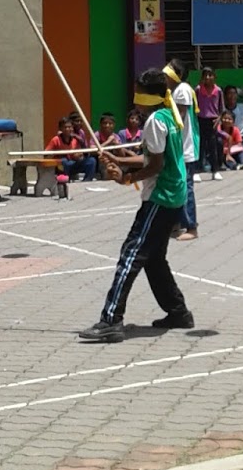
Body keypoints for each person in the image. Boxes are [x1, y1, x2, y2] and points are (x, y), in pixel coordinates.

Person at [79, 67, 193, 342]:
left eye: (138, 93)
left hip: (160, 197)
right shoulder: (169, 115)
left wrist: (126, 178)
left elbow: (155, 164)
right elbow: (150, 156)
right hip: (173, 195)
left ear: (148, 95)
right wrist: (118, 160)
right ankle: (178, 312)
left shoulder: (155, 120)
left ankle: (111, 320)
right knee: (153, 259)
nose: (134, 99)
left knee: (131, 254)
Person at [164, 60, 200, 242]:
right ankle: (176, 223)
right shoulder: (172, 91)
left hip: (185, 148)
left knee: (186, 188)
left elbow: (180, 116)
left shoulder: (183, 89)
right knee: (176, 186)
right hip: (177, 147)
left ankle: (191, 226)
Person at [47, 117, 98, 181]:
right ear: (60, 129)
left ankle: (87, 181)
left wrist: (79, 156)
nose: (68, 129)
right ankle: (65, 180)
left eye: (70, 127)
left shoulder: (76, 139)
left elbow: (84, 154)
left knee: (92, 161)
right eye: (65, 127)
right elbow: (46, 153)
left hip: (74, 164)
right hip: (61, 166)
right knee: (64, 160)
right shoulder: (56, 139)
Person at [197, 67, 225, 178]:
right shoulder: (198, 89)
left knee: (213, 145)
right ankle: (197, 170)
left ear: (214, 76)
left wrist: (219, 119)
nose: (208, 77)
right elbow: (194, 105)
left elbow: (221, 107)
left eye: (210, 75)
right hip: (201, 119)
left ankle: (215, 170)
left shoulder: (218, 90)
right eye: (205, 75)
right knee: (201, 146)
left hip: (212, 120)